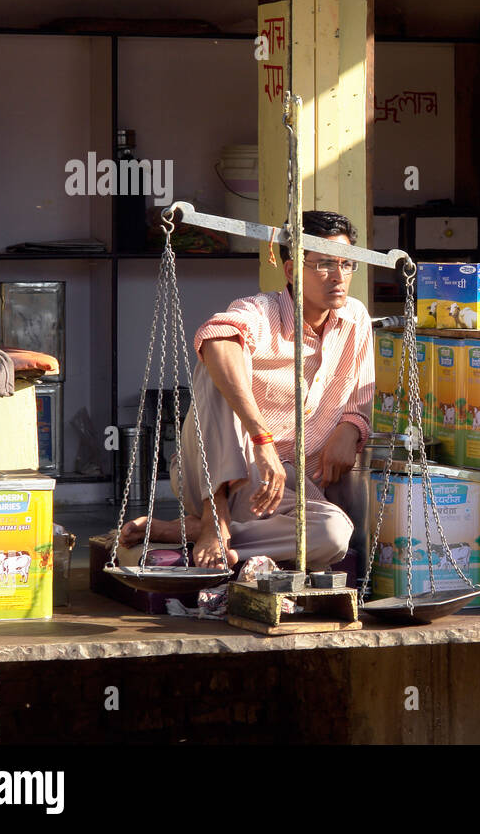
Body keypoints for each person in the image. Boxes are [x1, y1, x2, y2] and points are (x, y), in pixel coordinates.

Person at [119, 210, 374, 571]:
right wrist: (262, 439)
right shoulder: (259, 311)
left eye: (347, 264)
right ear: (291, 272)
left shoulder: (355, 319)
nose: (338, 276)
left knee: (333, 534)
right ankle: (214, 517)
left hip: (290, 488)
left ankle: (197, 533)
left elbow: (358, 401)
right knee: (219, 358)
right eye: (324, 265)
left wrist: (351, 428)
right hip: (226, 471)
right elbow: (217, 340)